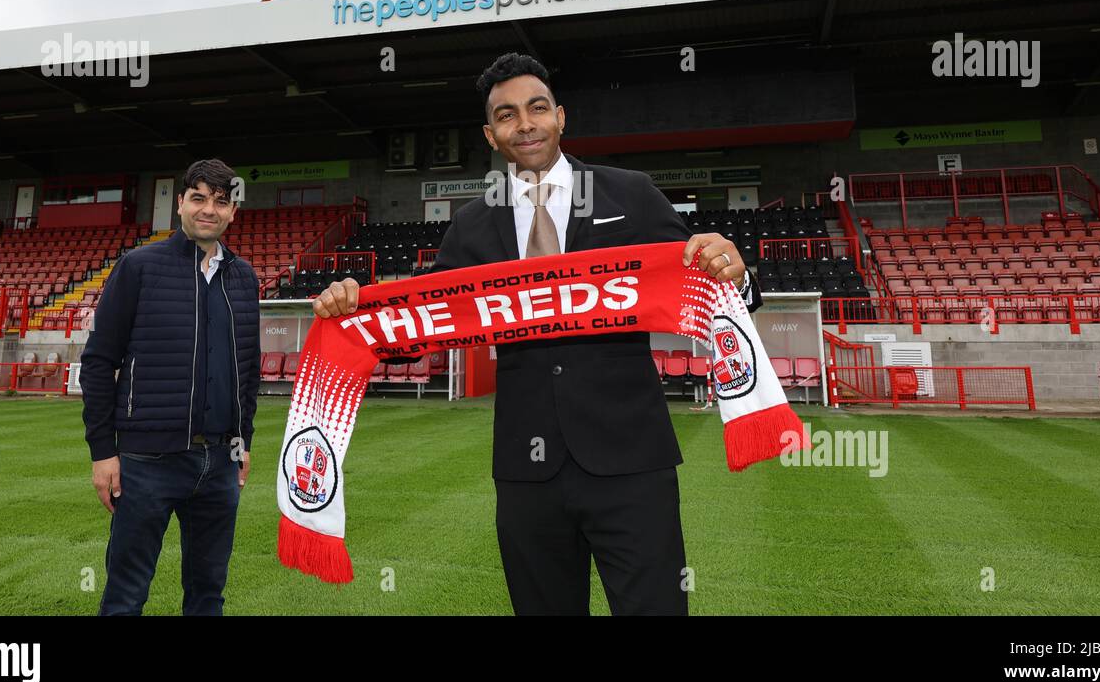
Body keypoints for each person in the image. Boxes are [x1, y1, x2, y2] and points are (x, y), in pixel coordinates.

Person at [313, 53, 756, 615]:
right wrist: (352, 309)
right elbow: (415, 333)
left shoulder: (631, 194)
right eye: (506, 114)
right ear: (490, 134)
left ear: (561, 117)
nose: (524, 123)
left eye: (536, 108)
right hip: (527, 471)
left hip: (632, 461)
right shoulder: (473, 224)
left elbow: (714, 292)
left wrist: (735, 274)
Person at [80, 159, 261, 615]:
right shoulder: (139, 267)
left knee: (207, 596)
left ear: (232, 212)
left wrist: (244, 443)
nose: (209, 210)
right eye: (199, 198)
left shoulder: (244, 279)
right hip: (146, 464)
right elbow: (99, 362)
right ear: (180, 203)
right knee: (125, 595)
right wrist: (103, 452)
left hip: (220, 463)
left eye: (221, 201)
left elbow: (247, 369)